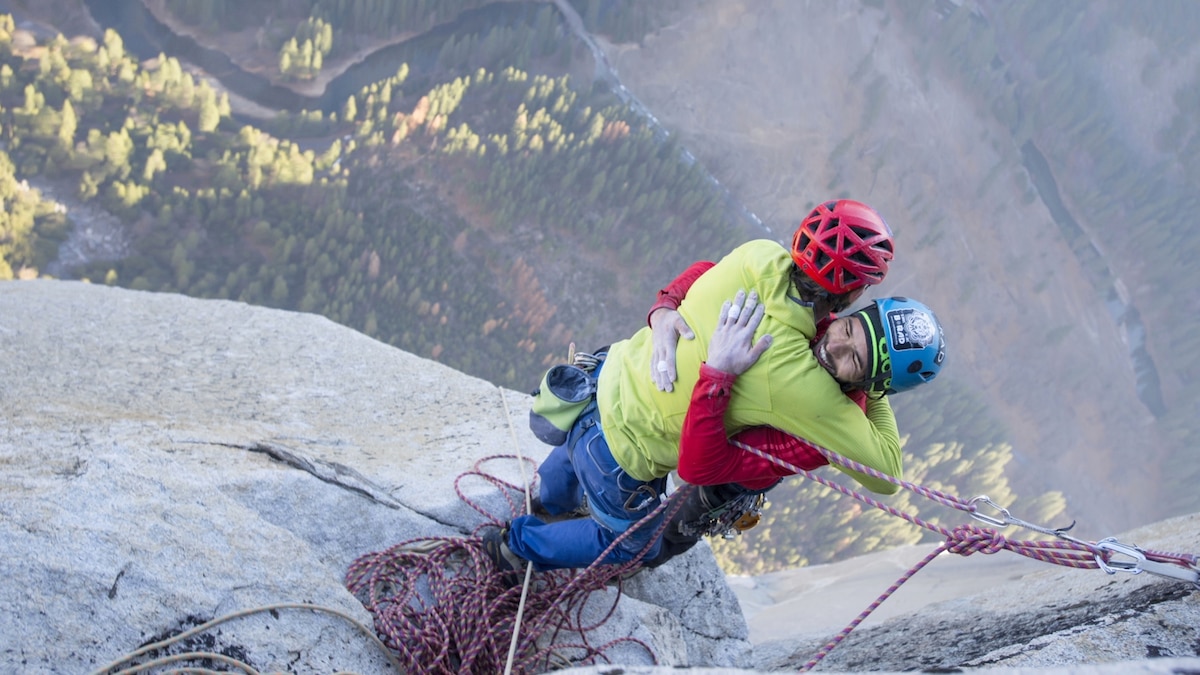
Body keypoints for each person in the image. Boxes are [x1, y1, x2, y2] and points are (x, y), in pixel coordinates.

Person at [485, 199, 901, 576]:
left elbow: (705, 270)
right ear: (852, 295)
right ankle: (515, 548)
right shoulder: (796, 378)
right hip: (618, 455)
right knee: (632, 546)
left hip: (601, 381)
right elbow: (886, 474)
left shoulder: (757, 255)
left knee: (576, 457)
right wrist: (874, 382)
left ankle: (548, 503)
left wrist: (665, 306)